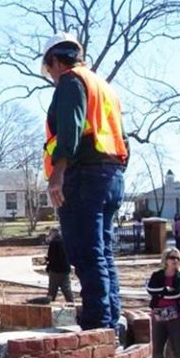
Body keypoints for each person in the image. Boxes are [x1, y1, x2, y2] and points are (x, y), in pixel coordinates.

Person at [42, 32, 129, 333]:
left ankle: (97, 327)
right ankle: (112, 323)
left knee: (86, 253)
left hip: (84, 176)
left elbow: (71, 127)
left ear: (55, 60)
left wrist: (59, 171)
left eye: (49, 68)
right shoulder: (103, 86)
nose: (51, 75)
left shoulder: (71, 81)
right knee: (102, 252)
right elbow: (122, 138)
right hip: (111, 175)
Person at [145, 247, 180, 358]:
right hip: (159, 315)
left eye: (178, 258)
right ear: (166, 259)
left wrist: (159, 292)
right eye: (172, 257)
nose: (175, 260)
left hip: (177, 317)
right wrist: (165, 289)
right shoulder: (157, 275)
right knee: (157, 350)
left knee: (179, 350)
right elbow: (150, 290)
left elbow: (178, 293)